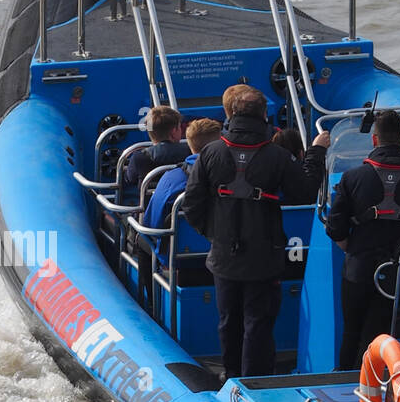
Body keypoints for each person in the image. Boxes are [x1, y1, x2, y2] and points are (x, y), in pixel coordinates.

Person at [183, 85, 316, 380]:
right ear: (263, 115)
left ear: (231, 114)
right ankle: (254, 381)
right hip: (264, 256)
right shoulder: (278, 156)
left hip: (223, 255)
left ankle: (231, 377)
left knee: (228, 320)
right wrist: (316, 155)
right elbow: (305, 193)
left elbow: (192, 204)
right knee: (259, 321)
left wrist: (214, 233)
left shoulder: (210, 153)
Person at [326, 109, 400, 371]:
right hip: (398, 275)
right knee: (379, 333)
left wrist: (351, 248)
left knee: (352, 331)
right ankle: (376, 383)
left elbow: (335, 227)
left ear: (374, 140)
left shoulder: (352, 178)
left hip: (358, 270)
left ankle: (344, 381)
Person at [139, 118, 223, 268]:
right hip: (231, 259)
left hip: (178, 262)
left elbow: (151, 228)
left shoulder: (169, 177)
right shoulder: (236, 178)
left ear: (190, 144)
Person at [124, 106, 187, 187]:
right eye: (179, 127)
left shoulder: (139, 158)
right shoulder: (190, 154)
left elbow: (129, 179)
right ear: (174, 131)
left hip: (150, 199)